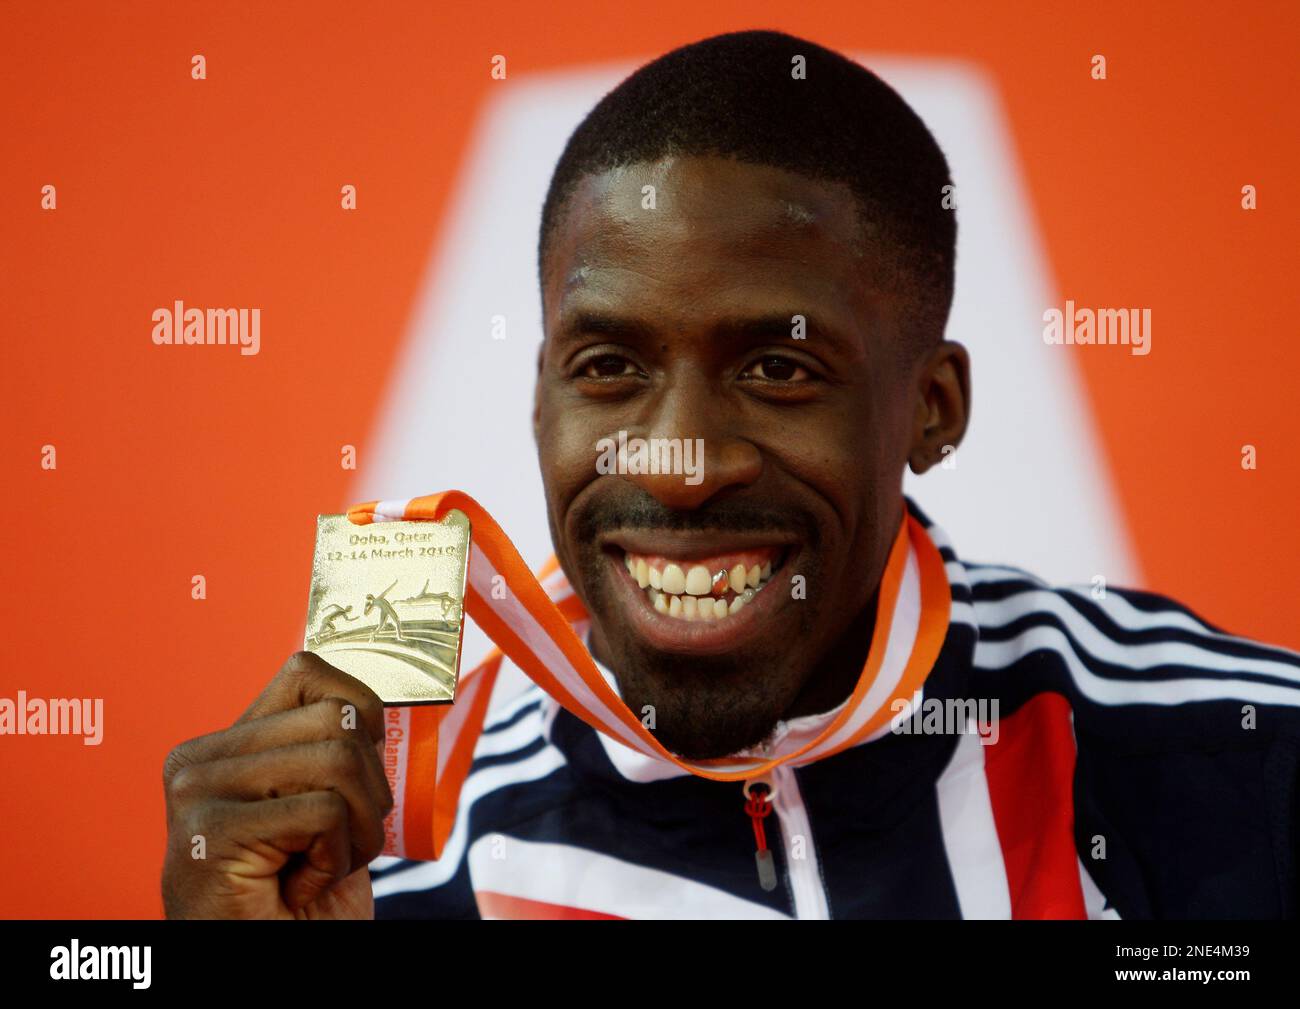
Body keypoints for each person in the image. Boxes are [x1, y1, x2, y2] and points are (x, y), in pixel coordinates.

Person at [161, 30, 1300, 920]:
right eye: (608, 366)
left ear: (932, 410)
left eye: (778, 367)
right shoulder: (380, 866)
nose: (682, 463)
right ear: (540, 398)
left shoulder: (1233, 762)